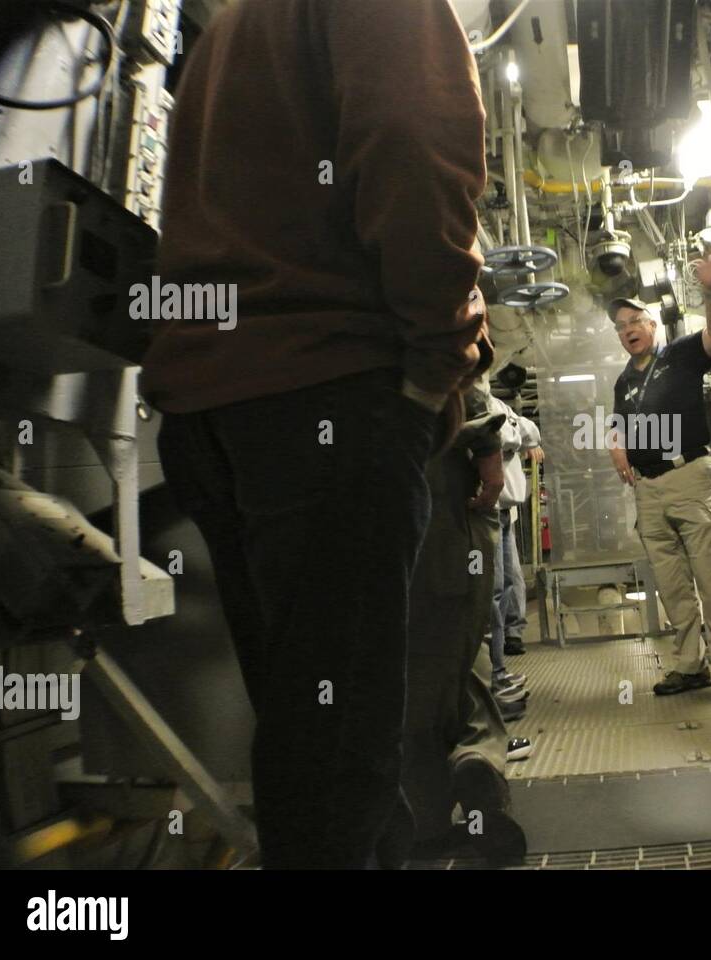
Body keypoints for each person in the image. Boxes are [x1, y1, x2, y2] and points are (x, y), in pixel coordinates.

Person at [139, 0, 488, 868]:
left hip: (215, 410)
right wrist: (436, 363)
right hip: (327, 392)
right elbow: (414, 146)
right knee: (336, 750)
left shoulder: (226, 30)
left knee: (312, 722)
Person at [381, 382, 527, 865]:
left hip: (365, 489)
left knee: (405, 660)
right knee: (465, 643)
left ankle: (424, 816)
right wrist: (488, 460)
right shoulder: (425, 309)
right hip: (443, 484)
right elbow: (458, 361)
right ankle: (477, 758)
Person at [608, 248, 711, 703]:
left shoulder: (682, 354)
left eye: (634, 321)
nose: (628, 330)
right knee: (672, 585)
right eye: (620, 326)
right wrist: (616, 442)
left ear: (651, 325)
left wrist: (709, 287)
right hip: (648, 489)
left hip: (690, 475)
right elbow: (619, 422)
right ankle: (691, 666)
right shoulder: (623, 381)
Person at [488, 398, 543, 678]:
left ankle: (510, 637)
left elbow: (531, 432)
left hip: (506, 508)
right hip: (488, 508)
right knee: (494, 589)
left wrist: (511, 430)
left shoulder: (496, 403)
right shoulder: (473, 398)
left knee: (509, 579)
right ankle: (494, 669)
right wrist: (513, 432)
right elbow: (498, 435)